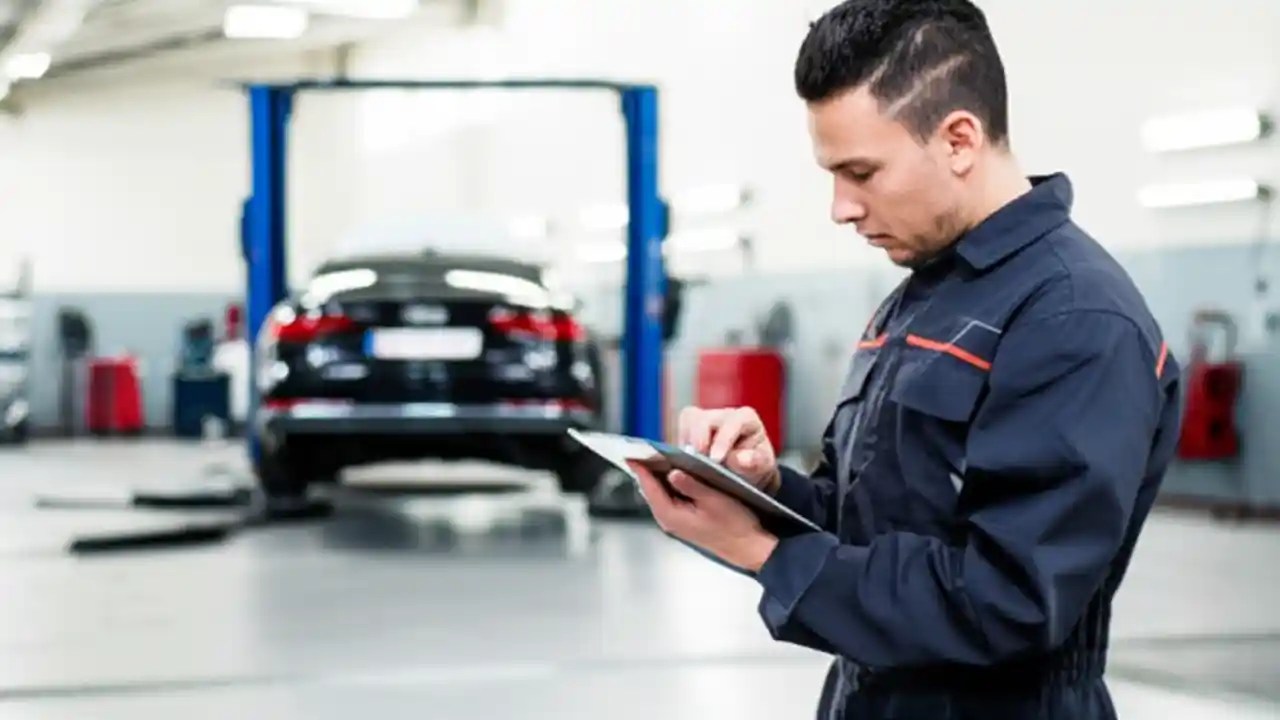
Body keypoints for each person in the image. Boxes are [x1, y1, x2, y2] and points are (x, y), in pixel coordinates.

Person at [626, 1, 1183, 718]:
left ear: (958, 140)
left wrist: (763, 553)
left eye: (861, 171)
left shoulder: (1074, 320)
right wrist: (766, 490)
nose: (841, 208)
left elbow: (1008, 602)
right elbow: (878, 527)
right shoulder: (925, 297)